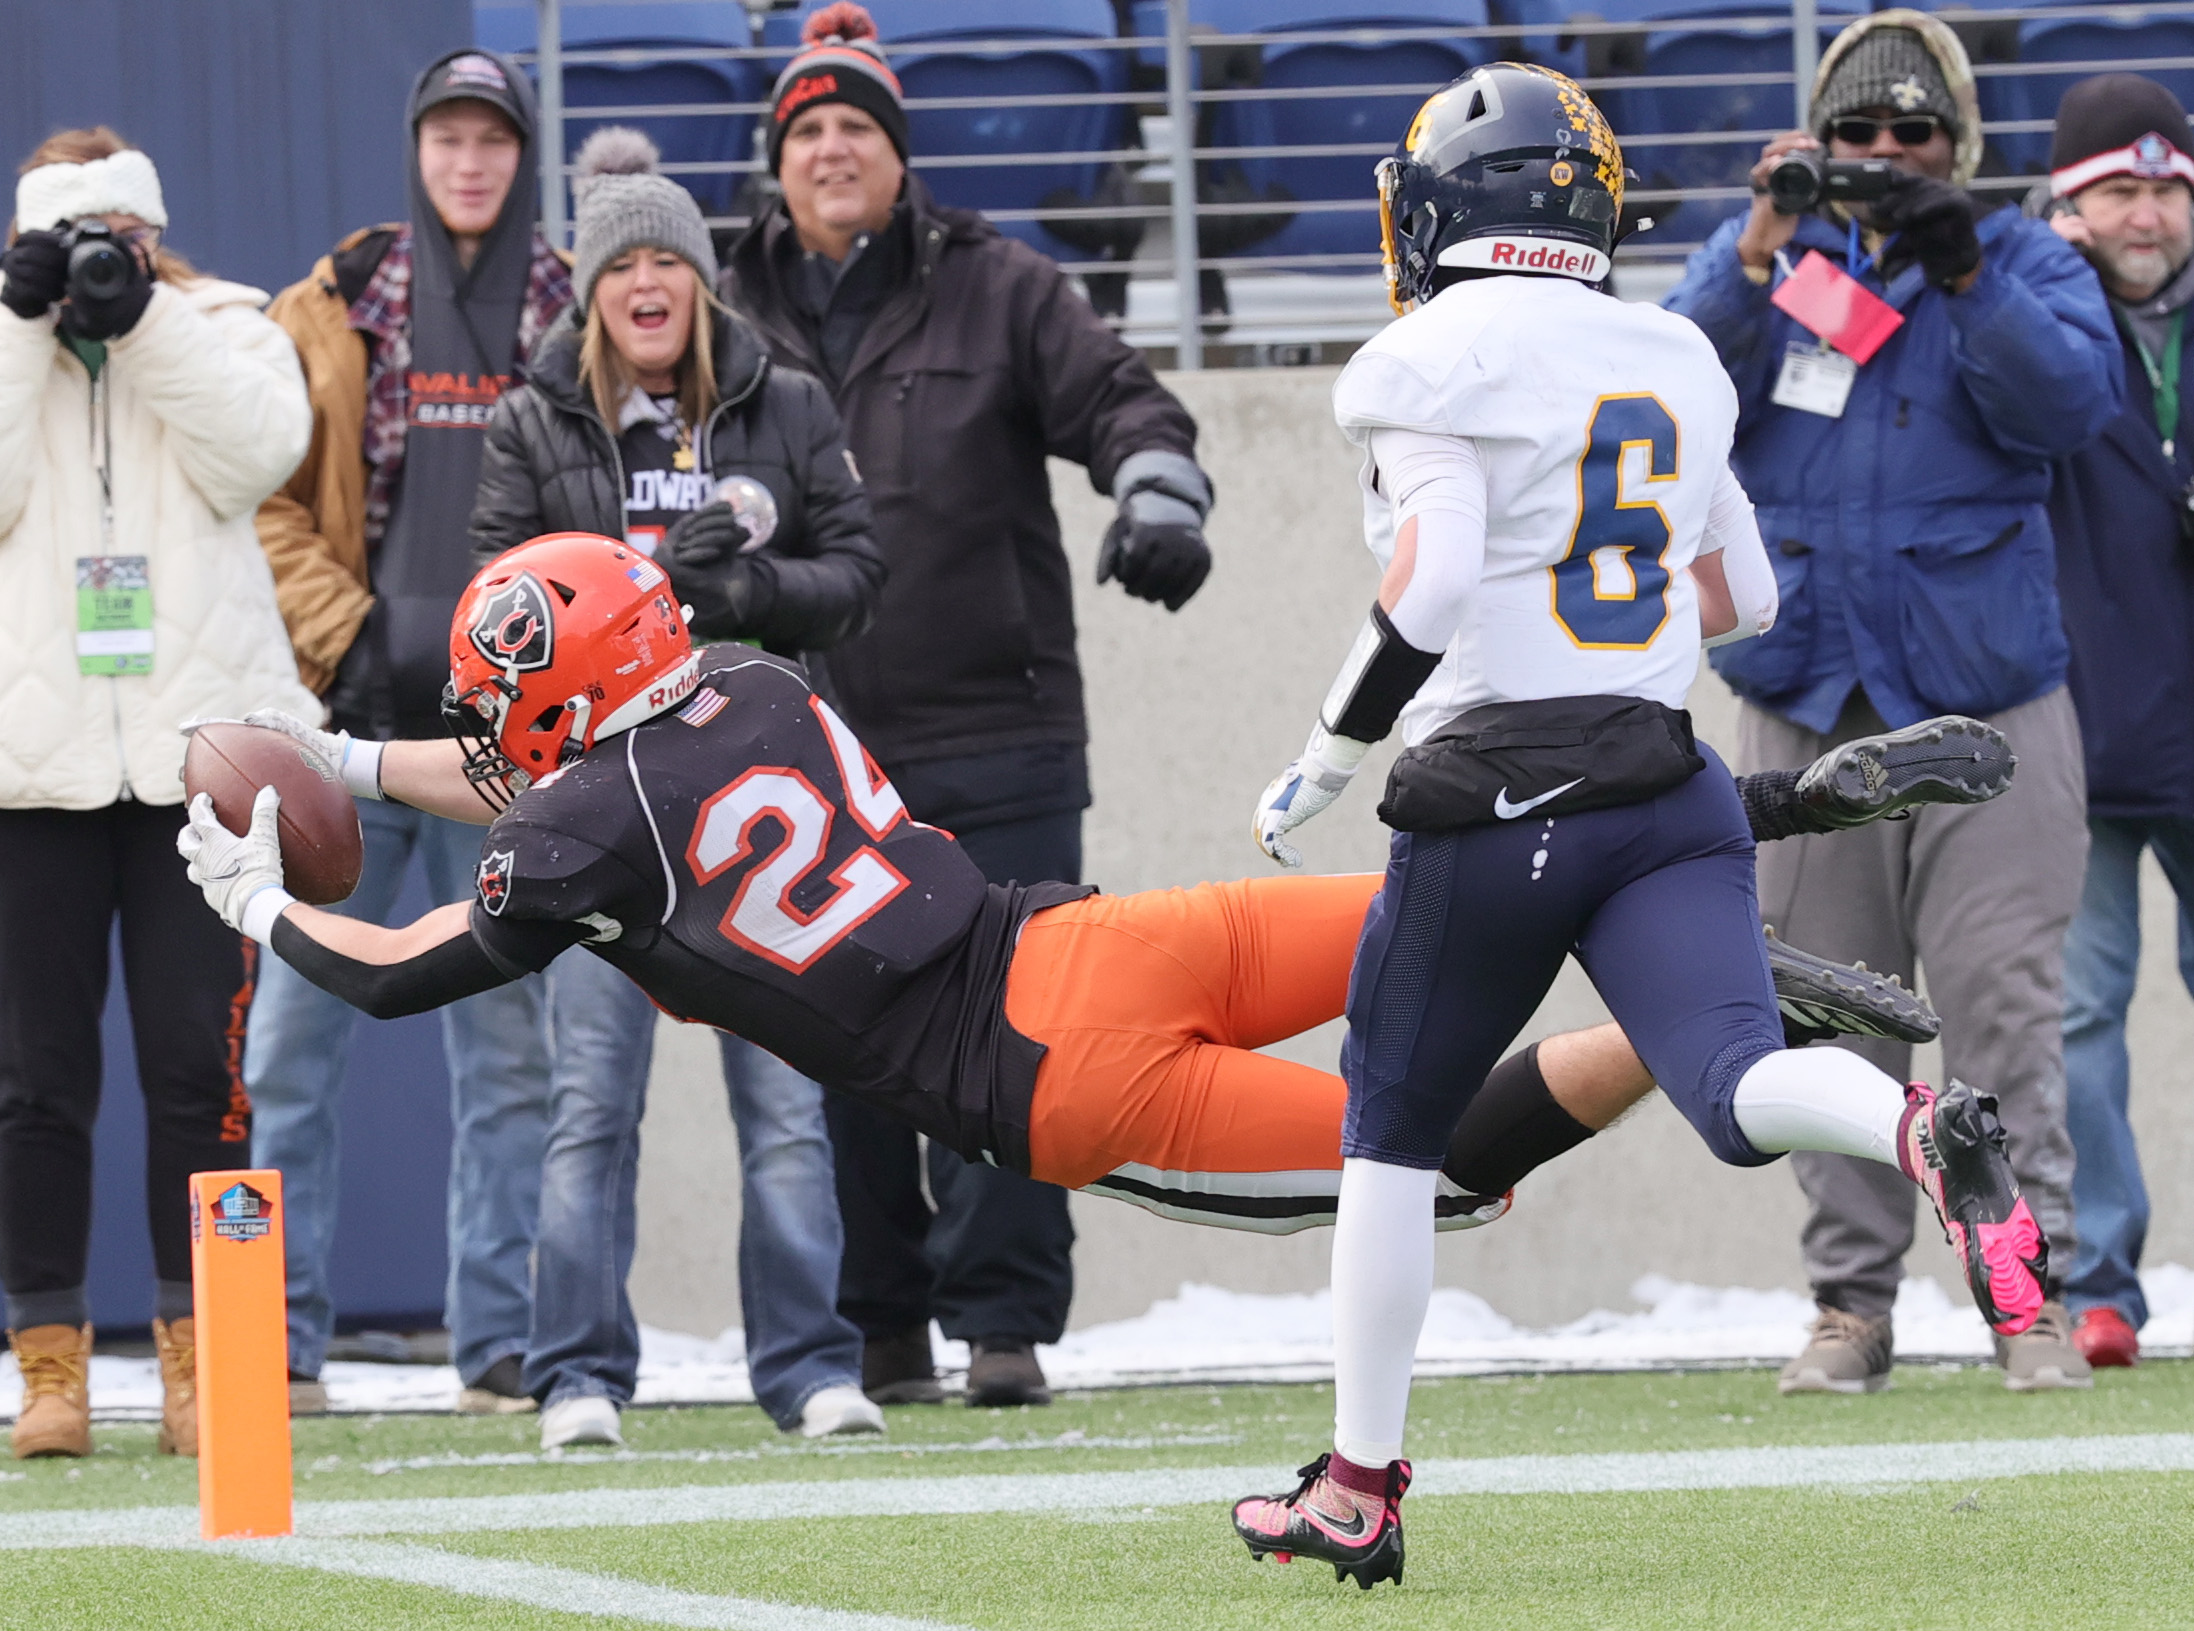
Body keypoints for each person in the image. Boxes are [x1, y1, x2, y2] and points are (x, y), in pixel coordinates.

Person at [175, 533, 2021, 1400]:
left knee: (1437, 1171)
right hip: (1098, 939)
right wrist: (338, 764)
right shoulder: (746, 682)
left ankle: (1716, 1008)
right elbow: (553, 779)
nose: (493, 730)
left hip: (1051, 1083)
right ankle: (1757, 831)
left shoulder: (584, 830)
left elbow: (412, 958)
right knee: (1470, 884)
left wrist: (268, 906)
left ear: (564, 690)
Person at [1230, 65, 2049, 1589]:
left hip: (1492, 788)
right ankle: (1918, 1128)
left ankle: (1355, 1484)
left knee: (1390, 1142)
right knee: (1735, 1089)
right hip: (1660, 783)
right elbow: (1746, 600)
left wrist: (1325, 754)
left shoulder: (1418, 359)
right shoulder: (1671, 348)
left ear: (1439, 207)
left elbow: (1427, 583)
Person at [719, 3, 1217, 1408]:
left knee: (1021, 1026)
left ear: (896, 157)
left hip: (997, 730)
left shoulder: (1001, 286)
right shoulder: (723, 303)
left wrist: (1160, 499)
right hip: (802, 746)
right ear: (778, 157)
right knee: (844, 1042)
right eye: (806, 129)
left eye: (855, 129)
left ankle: (1004, 1325)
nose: (830, 151)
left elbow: (1128, 406)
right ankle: (879, 1327)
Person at [1661, 8, 2123, 1394]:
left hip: (1986, 708)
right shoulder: (1777, 262)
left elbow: (2065, 408)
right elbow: (1665, 389)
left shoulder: (2024, 256)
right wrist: (1754, 246)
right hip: (1811, 705)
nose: (1879, 152)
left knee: (2001, 1009)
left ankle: (2022, 1300)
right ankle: (1848, 1308)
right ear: (1813, 139)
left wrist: (1962, 263)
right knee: (1829, 1023)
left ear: (1956, 142)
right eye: (1852, 131)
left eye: (1909, 131)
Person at [468, 128, 886, 1447]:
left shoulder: (787, 401)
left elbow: (861, 580)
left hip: (762, 802)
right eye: (619, 264)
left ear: (701, 281)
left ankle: (813, 1368)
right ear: (588, 290)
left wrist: (747, 591)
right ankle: (577, 1380)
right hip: (607, 810)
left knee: (785, 1108)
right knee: (590, 1107)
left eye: (667, 259)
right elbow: (497, 620)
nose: (644, 281)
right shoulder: (532, 420)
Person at [248, 48, 583, 1421]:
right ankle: (277, 1344)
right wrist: (358, 633)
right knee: (287, 1051)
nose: (469, 160)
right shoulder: (328, 308)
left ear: (518, 156)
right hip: (347, 745)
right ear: (416, 150)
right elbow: (263, 507)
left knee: (507, 1059)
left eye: (492, 139)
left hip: (508, 770)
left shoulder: (574, 311)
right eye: (447, 135)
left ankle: (495, 1344)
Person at [0, 127, 313, 1458]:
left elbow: (260, 458)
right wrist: (22, 330)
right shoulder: (4, 342)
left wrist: (144, 325)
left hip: (201, 767)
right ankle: (51, 1371)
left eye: (115, 244)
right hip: (32, 774)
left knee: (208, 1079)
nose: (93, 271)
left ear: (151, 237)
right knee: (33, 1083)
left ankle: (212, 1364)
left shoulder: (228, 328)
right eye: (70, 246)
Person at [2038, 74, 2194, 1372]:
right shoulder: (2029, 317)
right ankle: (2096, 1284)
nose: (2144, 214)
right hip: (2079, 729)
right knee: (2079, 1020)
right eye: (2116, 190)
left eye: (2164, 186)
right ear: (2064, 203)